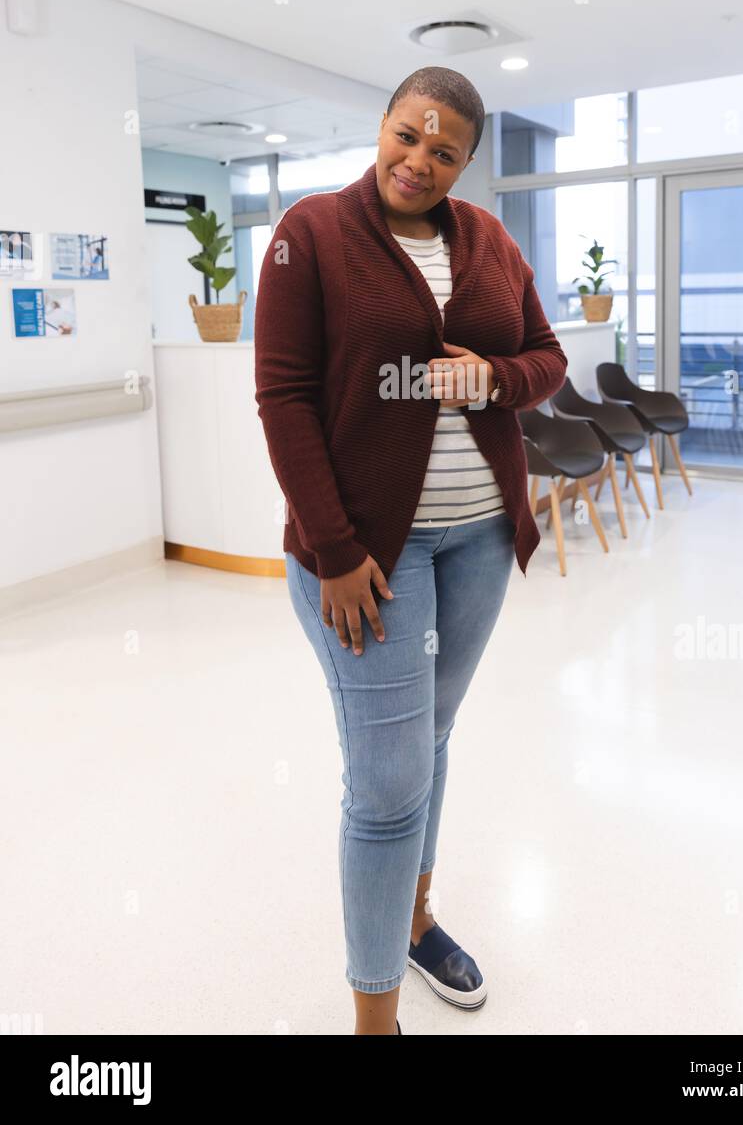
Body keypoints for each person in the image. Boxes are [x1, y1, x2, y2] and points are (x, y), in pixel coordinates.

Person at [254, 66, 567, 1035]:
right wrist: (335, 549)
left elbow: (547, 361)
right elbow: (284, 399)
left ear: (465, 164)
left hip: (477, 543)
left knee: (429, 745)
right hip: (367, 562)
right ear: (381, 126)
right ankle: (373, 1018)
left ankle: (417, 920)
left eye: (444, 151)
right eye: (406, 136)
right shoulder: (311, 235)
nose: (418, 161)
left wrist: (493, 375)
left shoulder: (489, 241)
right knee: (388, 783)